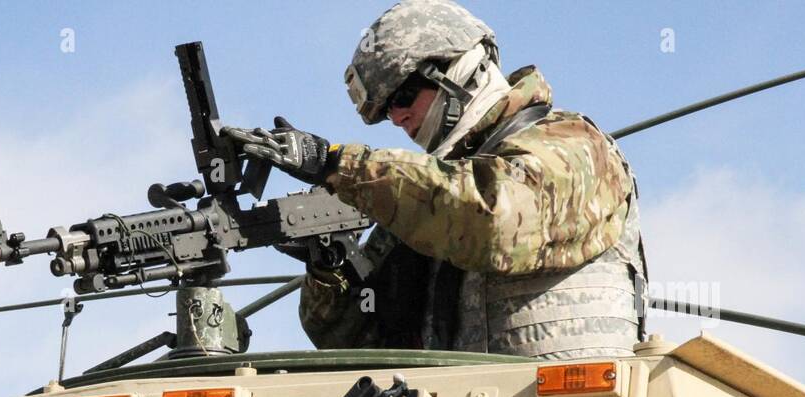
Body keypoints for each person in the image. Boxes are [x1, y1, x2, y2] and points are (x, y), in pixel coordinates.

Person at [224, 0, 647, 359]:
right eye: (387, 110)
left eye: (403, 96)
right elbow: (361, 343)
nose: (397, 117)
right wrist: (329, 267)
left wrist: (338, 164)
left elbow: (494, 220)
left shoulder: (574, 147)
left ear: (461, 69)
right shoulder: (426, 208)